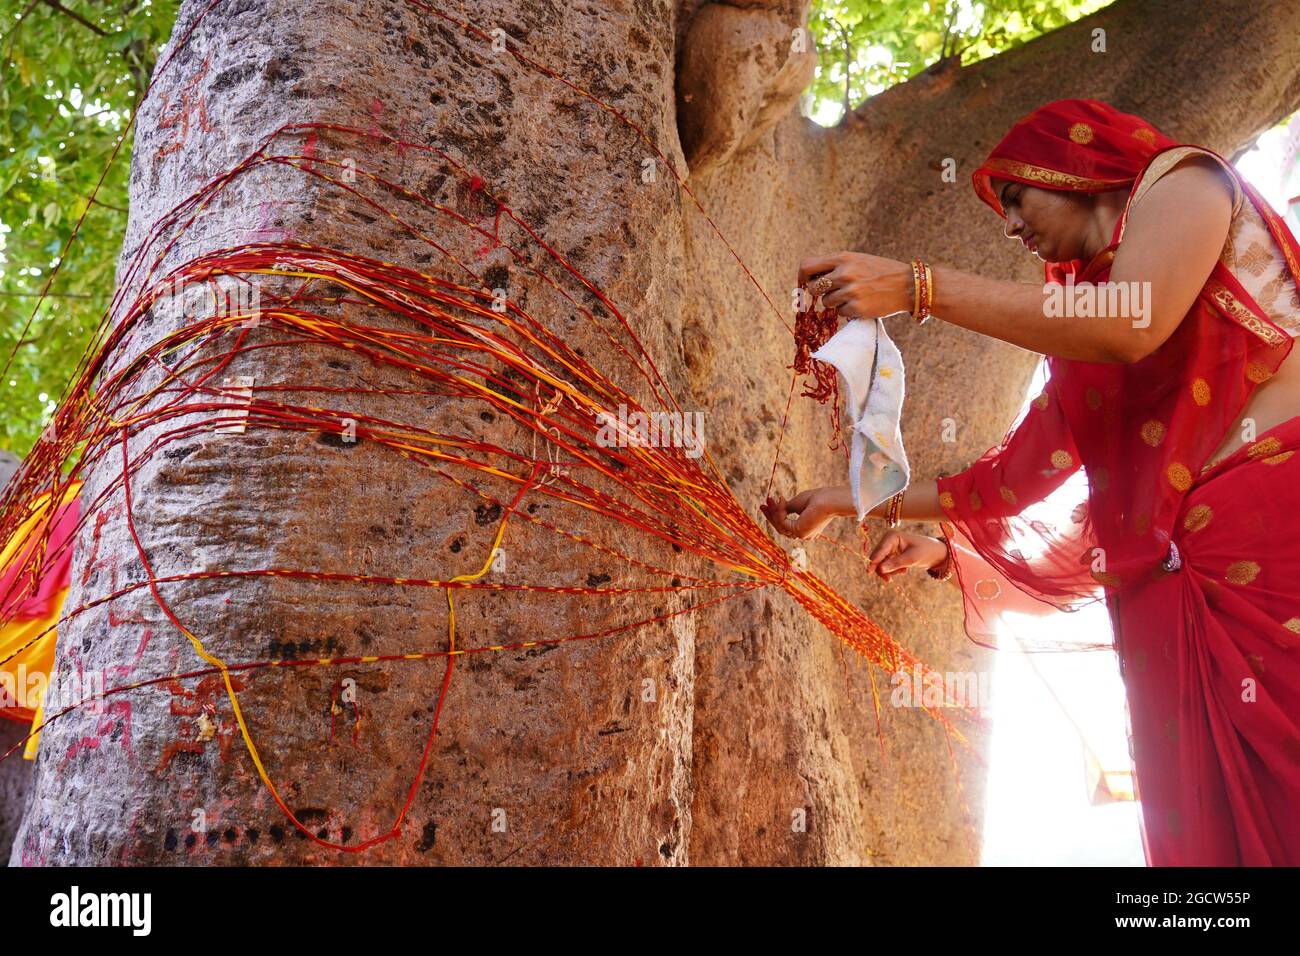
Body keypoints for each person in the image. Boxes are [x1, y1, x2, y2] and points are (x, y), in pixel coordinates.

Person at [761, 99, 1300, 866]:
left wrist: (922, 287)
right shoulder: (1081, 337)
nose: (1010, 227)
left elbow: (1131, 322)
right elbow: (1004, 485)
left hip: (1269, 543)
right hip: (1168, 595)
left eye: (1015, 197)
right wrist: (847, 498)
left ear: (1080, 160)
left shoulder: (1183, 181)